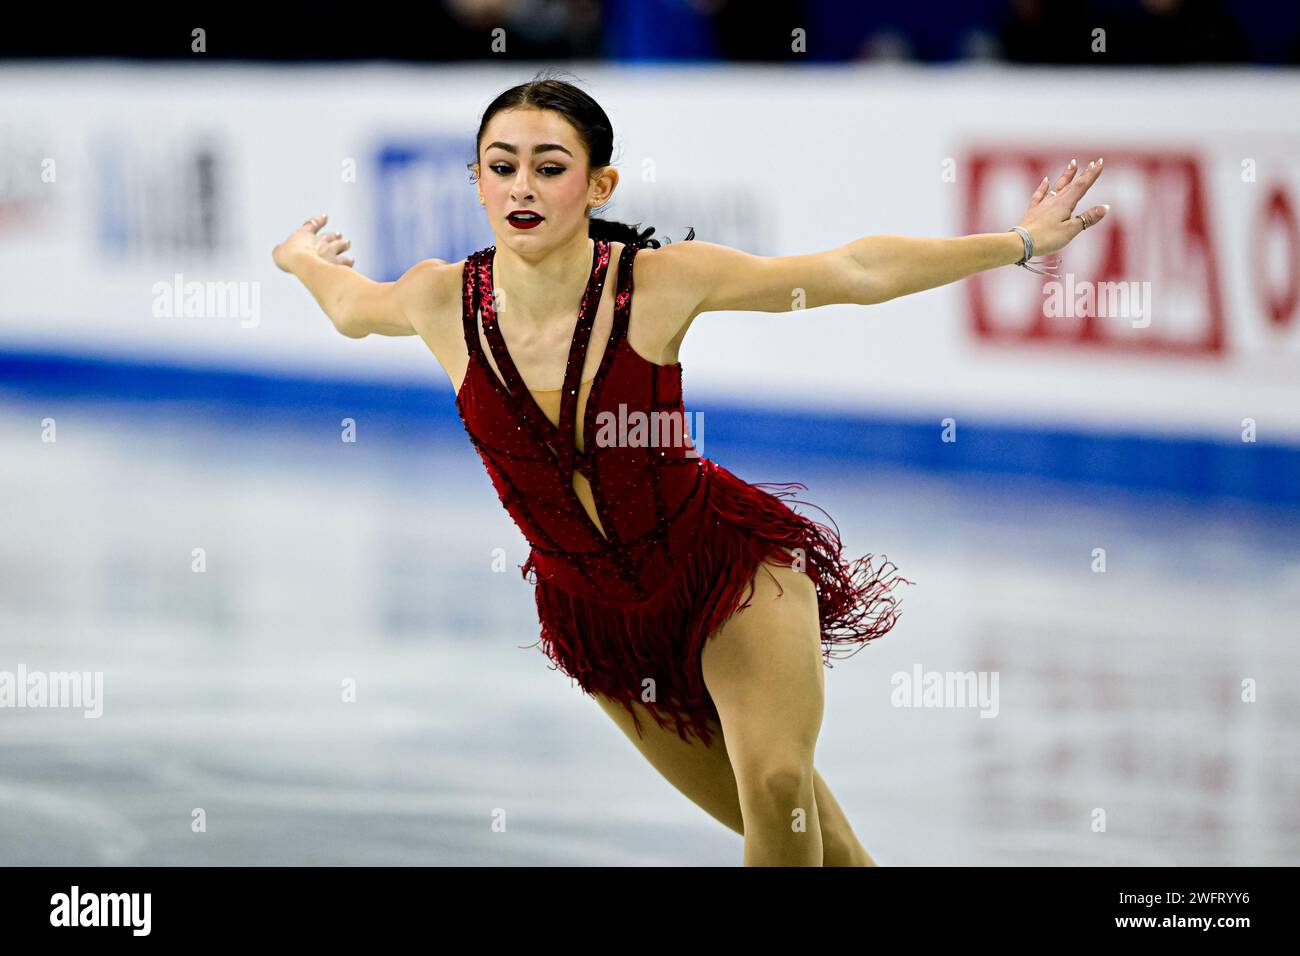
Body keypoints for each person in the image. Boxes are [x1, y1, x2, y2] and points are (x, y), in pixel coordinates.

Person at [273, 73, 1108, 866]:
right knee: (827, 849)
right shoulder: (440, 298)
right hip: (599, 618)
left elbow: (849, 272)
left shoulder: (660, 283)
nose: (522, 186)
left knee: (779, 788)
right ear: (478, 182)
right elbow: (350, 308)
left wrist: (1021, 241)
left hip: (726, 573)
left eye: (550, 168)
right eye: (502, 168)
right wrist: (301, 258)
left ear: (600, 188)